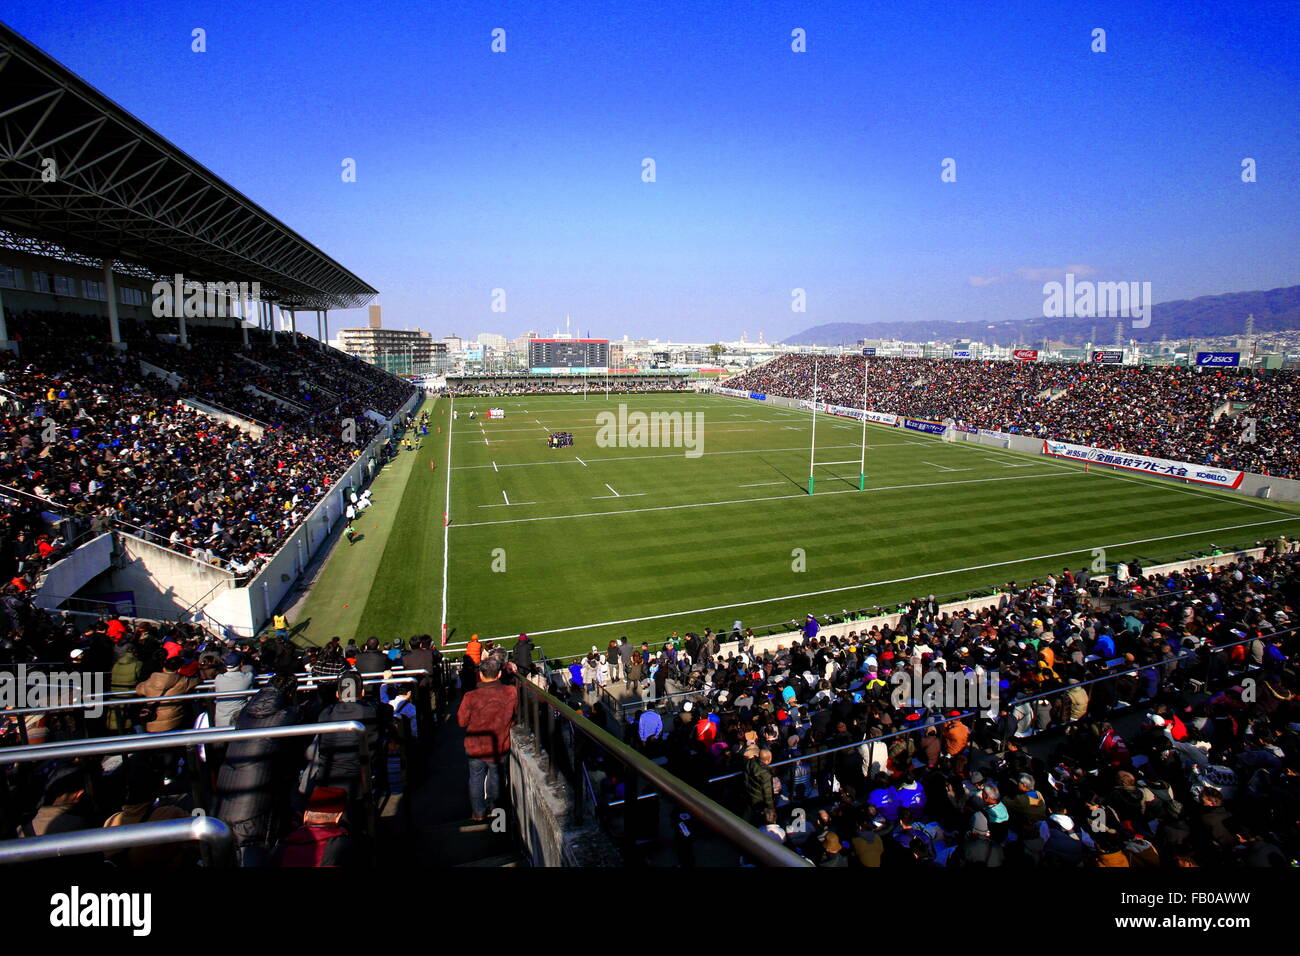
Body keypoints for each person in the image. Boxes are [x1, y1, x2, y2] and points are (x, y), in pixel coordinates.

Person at [457, 656, 518, 822]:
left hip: (475, 747)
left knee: (476, 779)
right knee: (496, 779)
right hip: (499, 746)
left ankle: (478, 814)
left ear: (481, 675)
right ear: (499, 674)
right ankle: (495, 814)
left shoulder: (470, 696)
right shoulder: (511, 691)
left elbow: (461, 721)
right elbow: (517, 714)